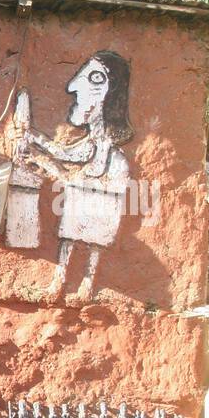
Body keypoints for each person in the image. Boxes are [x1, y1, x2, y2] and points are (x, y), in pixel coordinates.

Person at [17, 51, 133, 302]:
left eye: (93, 78)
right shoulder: (93, 142)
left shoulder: (107, 148)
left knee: (94, 236)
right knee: (71, 230)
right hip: (94, 189)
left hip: (106, 190)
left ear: (109, 91)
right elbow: (67, 153)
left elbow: (80, 170)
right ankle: (60, 281)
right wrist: (36, 141)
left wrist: (46, 163)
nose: (72, 87)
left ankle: (86, 284)